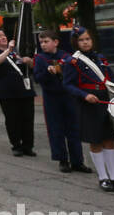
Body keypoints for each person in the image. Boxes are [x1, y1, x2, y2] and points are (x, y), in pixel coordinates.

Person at [62, 26, 114, 192]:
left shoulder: (100, 58)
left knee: (109, 139)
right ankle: (103, 177)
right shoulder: (72, 61)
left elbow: (110, 77)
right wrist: (84, 95)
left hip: (103, 99)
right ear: (76, 42)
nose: (85, 42)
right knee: (95, 140)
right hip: (88, 102)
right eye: (81, 40)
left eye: (88, 39)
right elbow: (68, 85)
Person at [34, 29, 88, 174]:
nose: (43, 45)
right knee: (55, 129)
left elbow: (76, 74)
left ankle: (78, 161)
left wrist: (62, 70)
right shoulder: (40, 58)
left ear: (56, 42)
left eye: (46, 42)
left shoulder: (66, 56)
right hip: (52, 97)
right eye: (41, 42)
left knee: (73, 129)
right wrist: (47, 71)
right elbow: (37, 78)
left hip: (68, 96)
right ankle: (62, 160)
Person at [0, 28, 36, 156]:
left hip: (25, 90)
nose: (3, 37)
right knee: (13, 119)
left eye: (4, 35)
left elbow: (30, 66)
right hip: (7, 92)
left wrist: (29, 62)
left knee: (28, 119)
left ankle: (28, 146)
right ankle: (16, 145)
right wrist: (8, 50)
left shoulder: (17, 52)